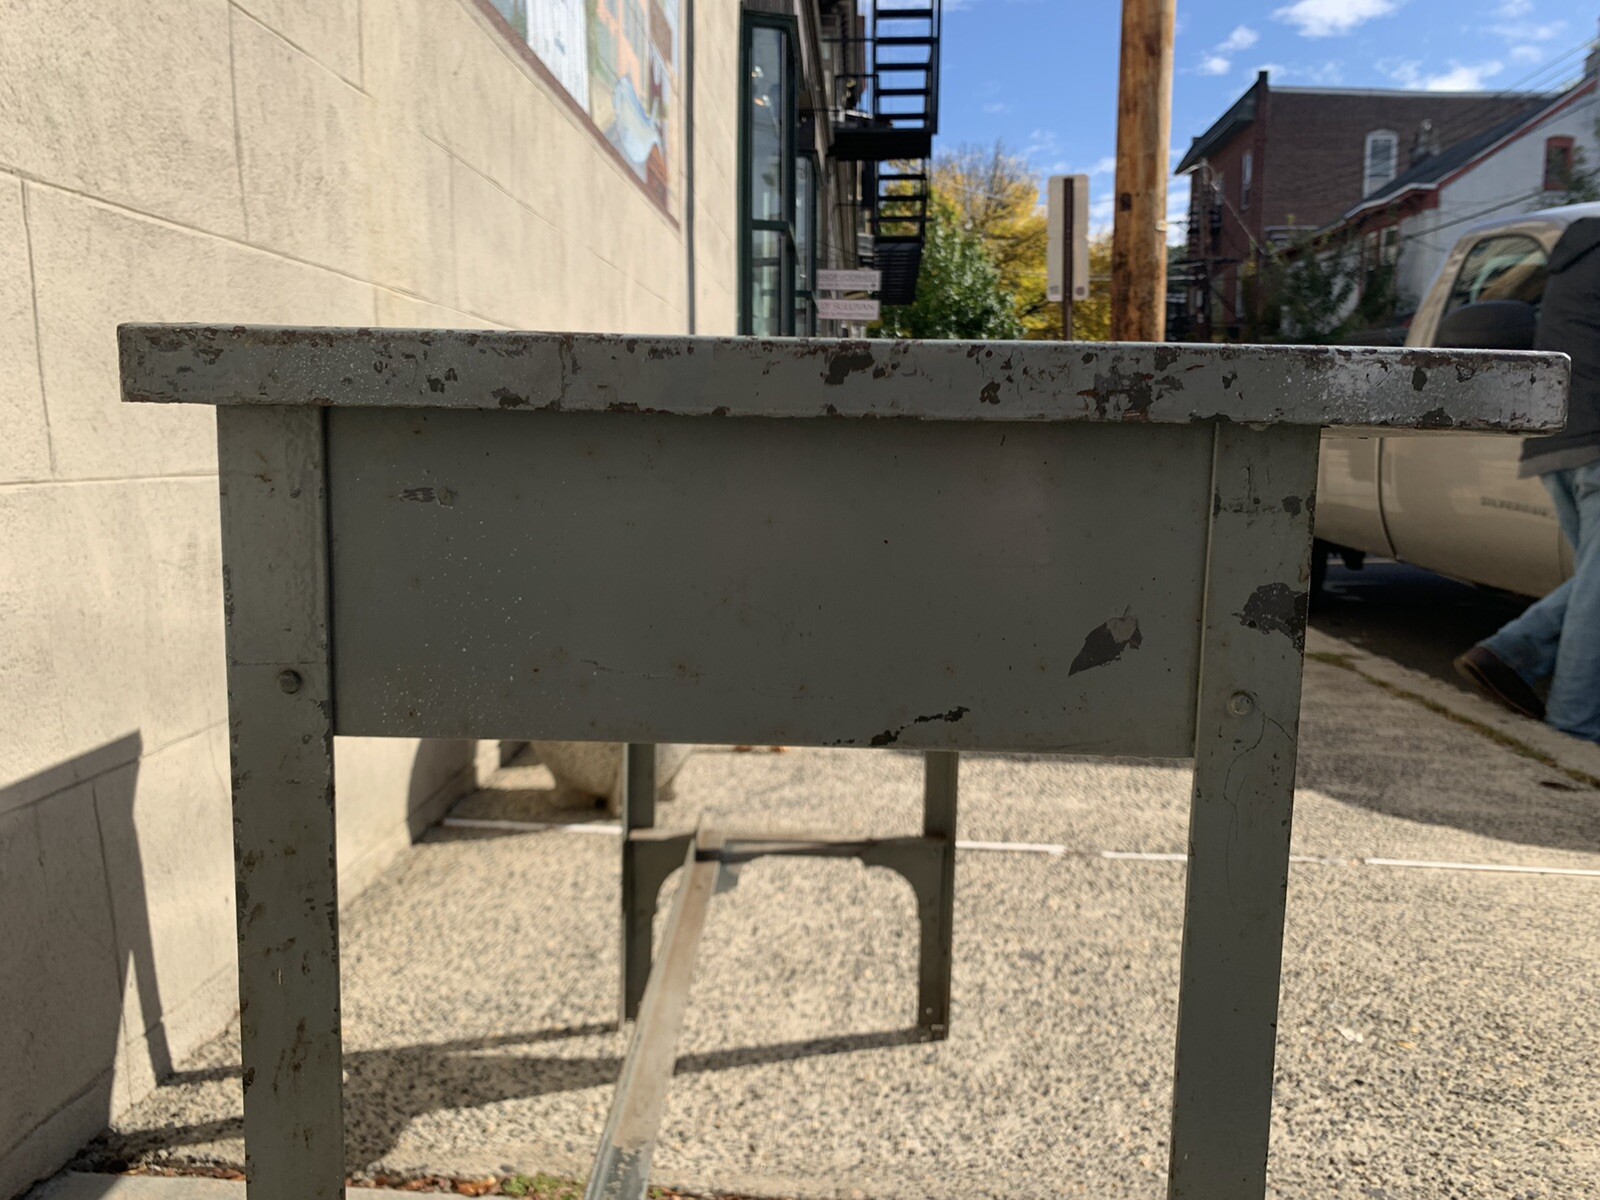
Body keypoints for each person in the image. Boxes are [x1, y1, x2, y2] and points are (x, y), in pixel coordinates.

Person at [1455, 217, 1600, 742]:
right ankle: (1574, 728)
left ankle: (1508, 653)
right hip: (1594, 442)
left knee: (1594, 582)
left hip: (1557, 437)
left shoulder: (1573, 260)